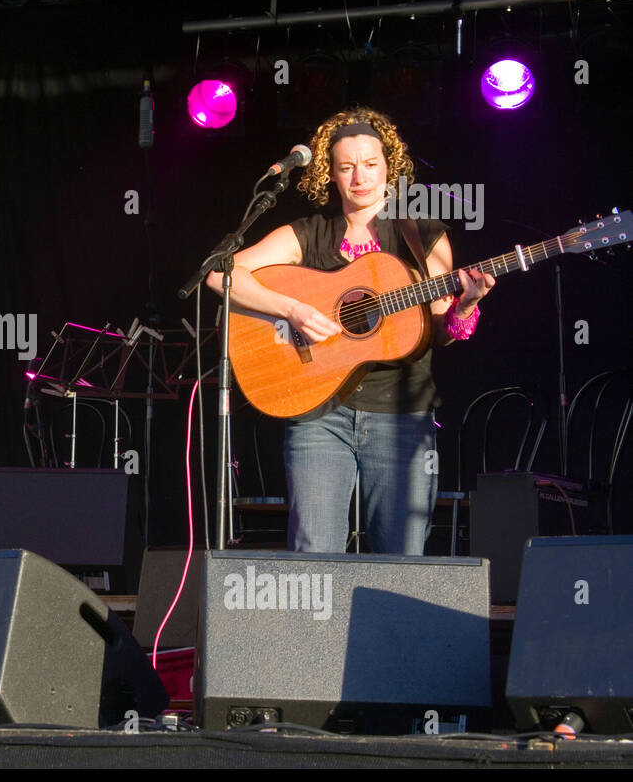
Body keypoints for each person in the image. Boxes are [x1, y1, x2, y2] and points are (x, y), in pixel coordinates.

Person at [206, 107, 494, 555]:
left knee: (401, 560)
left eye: (371, 164)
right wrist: (293, 309)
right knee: (314, 556)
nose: (360, 177)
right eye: (346, 167)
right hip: (318, 412)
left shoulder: (424, 235)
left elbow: (442, 331)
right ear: (331, 175)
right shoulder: (308, 233)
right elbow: (221, 276)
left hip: (401, 414)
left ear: (389, 167)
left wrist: (469, 301)